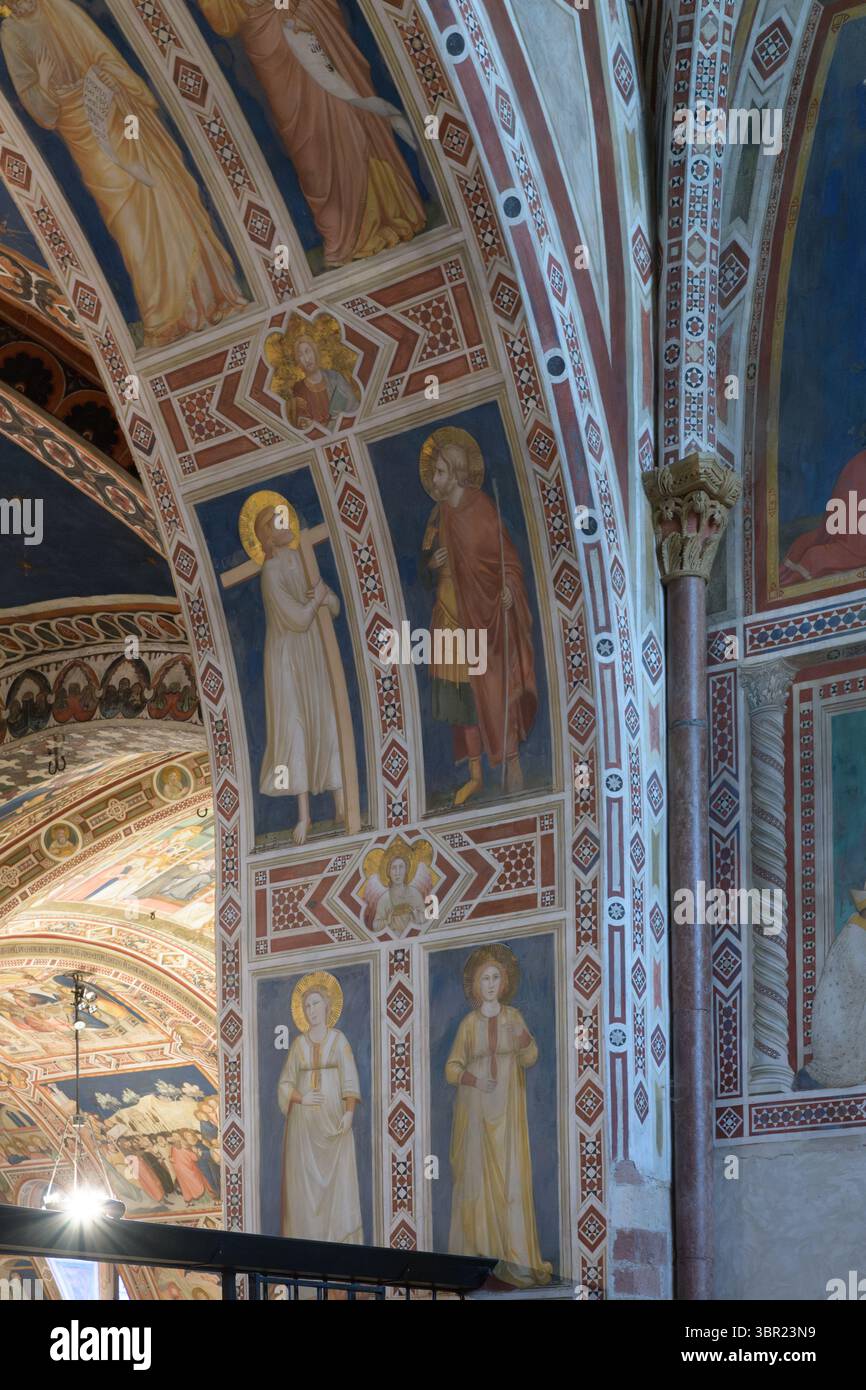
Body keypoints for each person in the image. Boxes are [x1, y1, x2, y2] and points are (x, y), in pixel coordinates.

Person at [1, 0, 247, 346]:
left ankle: (207, 295)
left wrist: (103, 81)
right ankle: (162, 316)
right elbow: (40, 110)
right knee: (130, 229)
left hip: (114, 114)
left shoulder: (59, 7)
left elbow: (102, 54)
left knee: (163, 196)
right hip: (81, 133)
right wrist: (43, 84)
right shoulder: (12, 32)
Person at [197, 0, 425, 267]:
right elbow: (223, 21)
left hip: (311, 19)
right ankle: (344, 232)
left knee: (353, 115)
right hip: (270, 40)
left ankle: (390, 210)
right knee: (310, 145)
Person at [420, 429, 537, 804]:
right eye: (434, 472)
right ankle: (473, 775)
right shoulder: (437, 516)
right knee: (459, 699)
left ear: (455, 473)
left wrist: (508, 588)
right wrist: (432, 565)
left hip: (483, 614)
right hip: (448, 615)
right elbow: (423, 572)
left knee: (491, 689)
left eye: (439, 471)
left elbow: (509, 562)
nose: (433, 479)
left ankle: (511, 761)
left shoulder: (482, 509)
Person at [445, 944, 551, 1287]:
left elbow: (531, 1055)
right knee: (475, 1180)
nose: (489, 984)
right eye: (483, 979)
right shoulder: (469, 1024)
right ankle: (479, 1258)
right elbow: (451, 1068)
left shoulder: (513, 1018)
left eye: (495, 977)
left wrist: (523, 1040)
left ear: (503, 982)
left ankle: (515, 1260)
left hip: (508, 1113)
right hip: (474, 1112)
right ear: (476, 986)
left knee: (510, 1180)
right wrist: (475, 1079)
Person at [255, 503, 344, 844]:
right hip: (285, 660)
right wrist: (316, 599)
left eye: (284, 517)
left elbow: (332, 606)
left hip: (313, 656)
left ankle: (340, 803)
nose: (285, 523)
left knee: (326, 721)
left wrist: (326, 598)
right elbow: (297, 618)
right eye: (276, 522)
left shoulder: (300, 557)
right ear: (266, 536)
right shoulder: (271, 571)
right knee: (295, 730)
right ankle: (304, 817)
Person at [277, 972, 362, 1242]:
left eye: (316, 1004)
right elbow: (285, 1084)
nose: (311, 1011)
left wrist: (349, 1113)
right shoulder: (299, 1045)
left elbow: (349, 1079)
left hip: (334, 1128)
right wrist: (302, 1098)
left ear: (327, 1006)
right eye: (307, 1007)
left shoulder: (339, 1041)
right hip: (302, 1132)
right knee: (303, 1192)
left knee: (338, 1188)